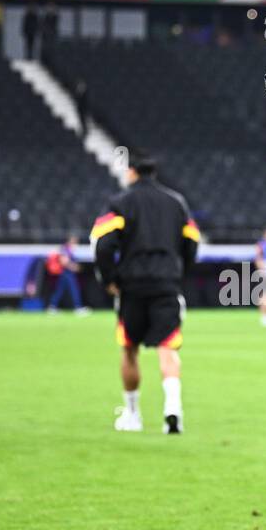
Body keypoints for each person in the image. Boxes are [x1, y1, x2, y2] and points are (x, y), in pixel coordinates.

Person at [91, 151, 199, 435]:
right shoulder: (176, 202)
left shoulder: (120, 202)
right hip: (166, 284)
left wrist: (109, 279)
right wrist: (179, 272)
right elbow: (192, 242)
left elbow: (102, 245)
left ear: (131, 173)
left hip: (132, 287)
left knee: (129, 349)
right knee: (168, 347)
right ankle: (172, 409)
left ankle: (132, 414)